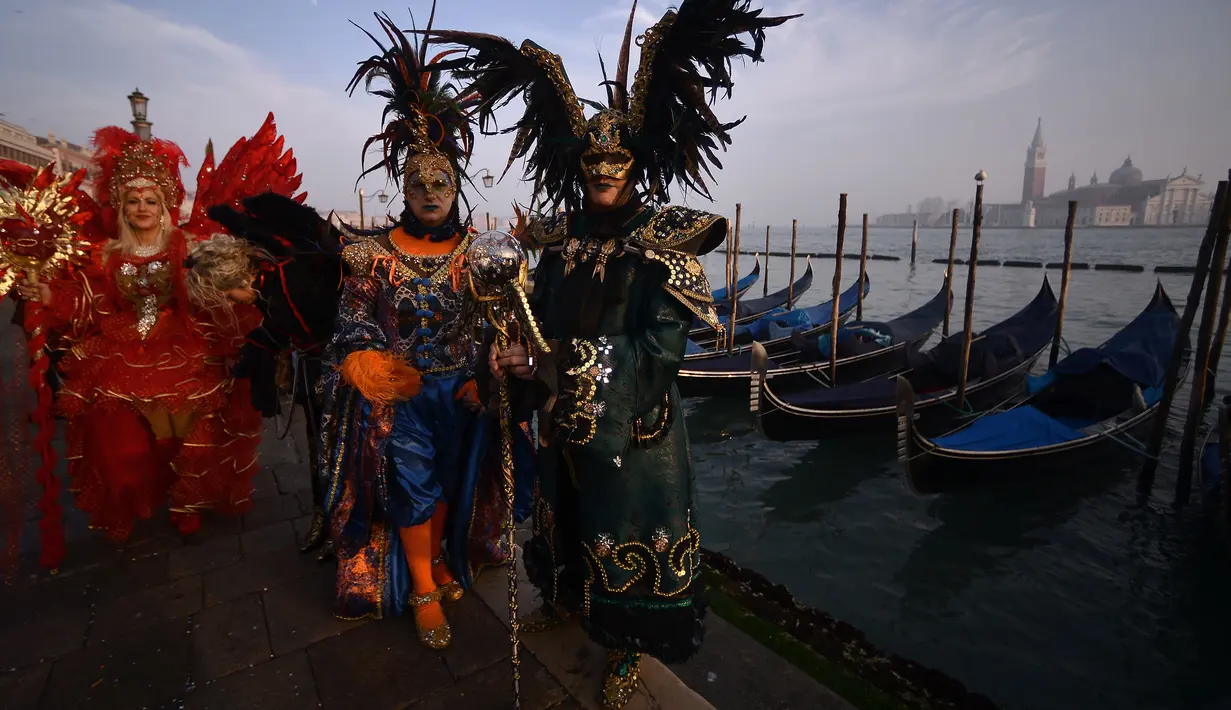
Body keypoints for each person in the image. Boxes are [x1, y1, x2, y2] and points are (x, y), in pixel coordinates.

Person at [433, 1, 798, 706]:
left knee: (622, 527)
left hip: (634, 421)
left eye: (615, 158)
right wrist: (514, 348)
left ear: (635, 163)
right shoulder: (561, 237)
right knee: (563, 514)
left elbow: (661, 346)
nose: (602, 168)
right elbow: (537, 314)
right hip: (562, 417)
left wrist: (556, 363)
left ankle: (627, 646)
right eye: (592, 158)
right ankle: (566, 602)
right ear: (577, 163)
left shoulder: (665, 238)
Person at [314, 11, 531, 649]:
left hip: (460, 393)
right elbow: (351, 320)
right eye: (418, 183)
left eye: (442, 181)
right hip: (401, 396)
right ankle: (423, 586)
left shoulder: (481, 251)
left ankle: (436, 558)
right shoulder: (371, 253)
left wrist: (499, 363)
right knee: (411, 485)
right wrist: (369, 365)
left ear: (458, 186)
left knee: (451, 482)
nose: (431, 190)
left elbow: (505, 319)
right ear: (402, 191)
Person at [10, 118, 301, 548]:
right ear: (122, 206)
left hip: (182, 348)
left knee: (184, 435)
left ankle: (186, 501)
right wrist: (49, 294)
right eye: (133, 201)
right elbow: (90, 300)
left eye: (150, 199)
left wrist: (247, 297)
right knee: (124, 437)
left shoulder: (186, 244)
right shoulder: (106, 254)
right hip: (119, 350)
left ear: (165, 203)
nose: (142, 207)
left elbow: (213, 285)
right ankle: (139, 493)